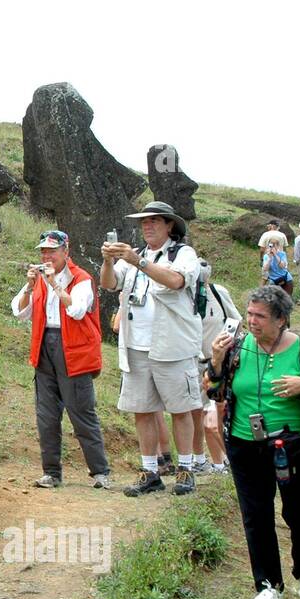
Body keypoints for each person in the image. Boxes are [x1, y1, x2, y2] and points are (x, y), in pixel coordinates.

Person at [207, 285, 300, 599]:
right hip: (243, 444)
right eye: (249, 314)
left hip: (295, 446)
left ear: (281, 320)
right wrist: (215, 361)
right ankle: (268, 584)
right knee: (256, 514)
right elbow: (214, 391)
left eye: (260, 316)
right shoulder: (236, 348)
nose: (252, 321)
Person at [101, 201, 205, 497]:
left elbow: (175, 281)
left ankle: (185, 469)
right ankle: (150, 471)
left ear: (169, 225)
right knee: (142, 410)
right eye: (143, 221)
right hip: (135, 345)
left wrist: (138, 262)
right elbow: (108, 284)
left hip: (172, 346)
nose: (147, 226)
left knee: (181, 408)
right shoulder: (136, 254)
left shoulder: (183, 254)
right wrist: (108, 261)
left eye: (154, 221)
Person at [12, 229, 111, 489]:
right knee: (46, 414)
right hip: (45, 346)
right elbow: (19, 312)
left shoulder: (82, 279)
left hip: (74, 352)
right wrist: (31, 286)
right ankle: (51, 473)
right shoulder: (40, 278)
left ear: (66, 252)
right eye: (44, 251)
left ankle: (100, 472)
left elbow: (77, 310)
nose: (47, 256)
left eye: (52, 251)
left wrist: (54, 282)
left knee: (81, 412)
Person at [192, 259, 239, 475]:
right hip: (192, 363)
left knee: (214, 419)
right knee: (195, 414)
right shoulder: (181, 296)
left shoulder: (218, 292)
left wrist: (224, 350)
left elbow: (235, 321)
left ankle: (230, 462)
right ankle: (204, 460)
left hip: (217, 365)